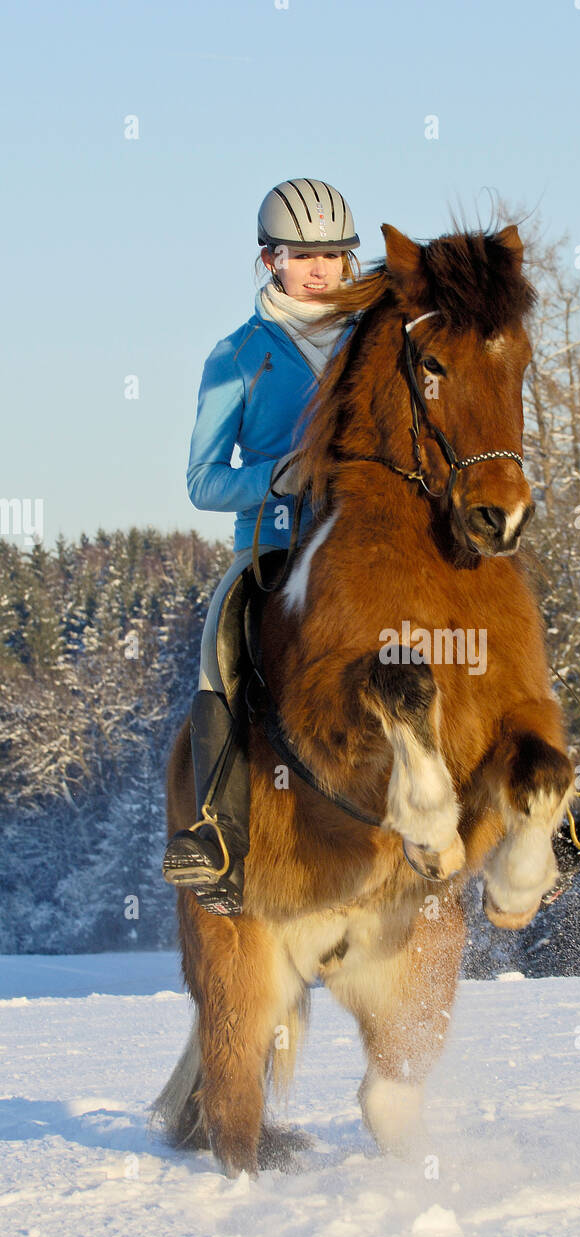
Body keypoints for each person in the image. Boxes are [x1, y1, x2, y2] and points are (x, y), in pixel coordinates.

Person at [161, 178, 360, 916]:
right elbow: (203, 482)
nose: (320, 270)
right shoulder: (235, 356)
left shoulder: (377, 335)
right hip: (274, 556)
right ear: (269, 258)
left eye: (334, 255)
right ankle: (218, 835)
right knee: (221, 654)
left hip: (368, 544)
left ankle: (551, 803)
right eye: (302, 254)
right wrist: (275, 478)